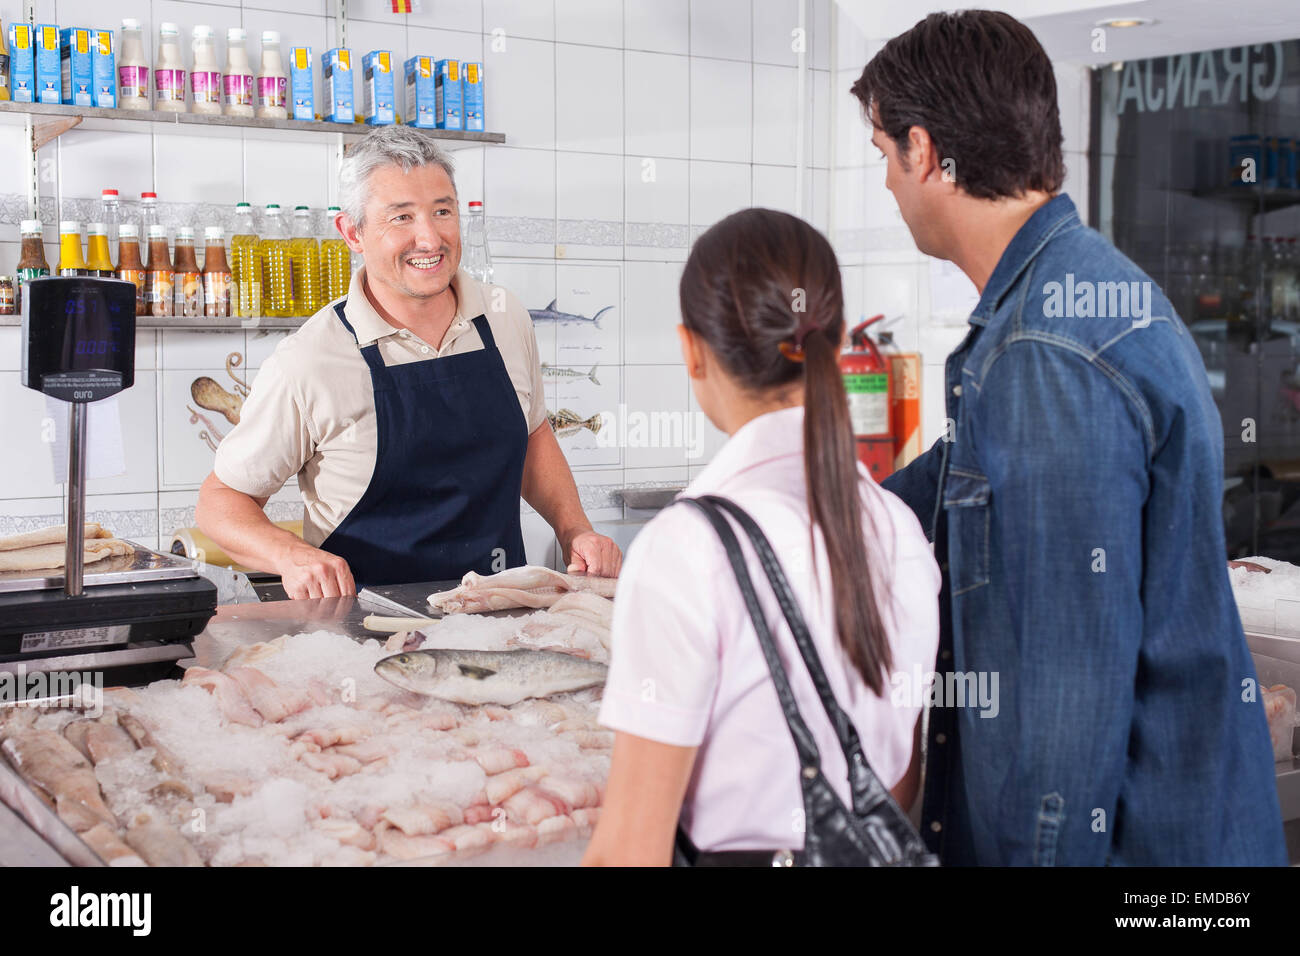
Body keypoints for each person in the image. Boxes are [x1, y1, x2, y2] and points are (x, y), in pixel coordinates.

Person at [857, 10, 1285, 864]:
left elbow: (1063, 696)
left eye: (884, 158)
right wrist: (765, 512)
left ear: (927, 151)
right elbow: (954, 484)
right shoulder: (1061, 300)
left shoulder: (1046, 352)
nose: (888, 186)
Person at [581, 208, 940, 866]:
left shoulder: (688, 550)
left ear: (692, 350)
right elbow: (893, 783)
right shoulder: (900, 531)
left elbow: (629, 852)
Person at [196, 126, 621, 597]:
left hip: (498, 619)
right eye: (401, 217)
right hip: (364, 637)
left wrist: (575, 529)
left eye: (442, 211)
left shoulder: (504, 316)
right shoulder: (310, 359)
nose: (429, 238)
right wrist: (290, 555)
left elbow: (534, 432)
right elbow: (221, 501)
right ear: (352, 232)